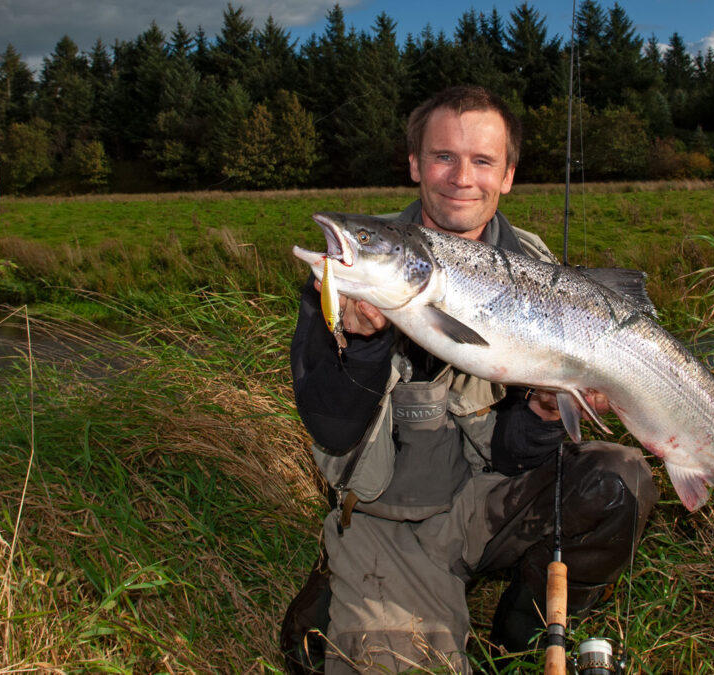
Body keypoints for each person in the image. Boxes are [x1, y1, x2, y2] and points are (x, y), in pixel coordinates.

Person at [281, 85, 657, 674]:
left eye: (482, 161)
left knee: (621, 481)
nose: (462, 177)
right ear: (414, 164)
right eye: (443, 157)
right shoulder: (358, 267)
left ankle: (520, 630)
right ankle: (344, 582)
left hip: (485, 501)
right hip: (391, 520)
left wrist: (541, 414)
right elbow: (329, 424)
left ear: (508, 175)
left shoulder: (534, 270)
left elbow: (512, 452)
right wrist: (363, 344)